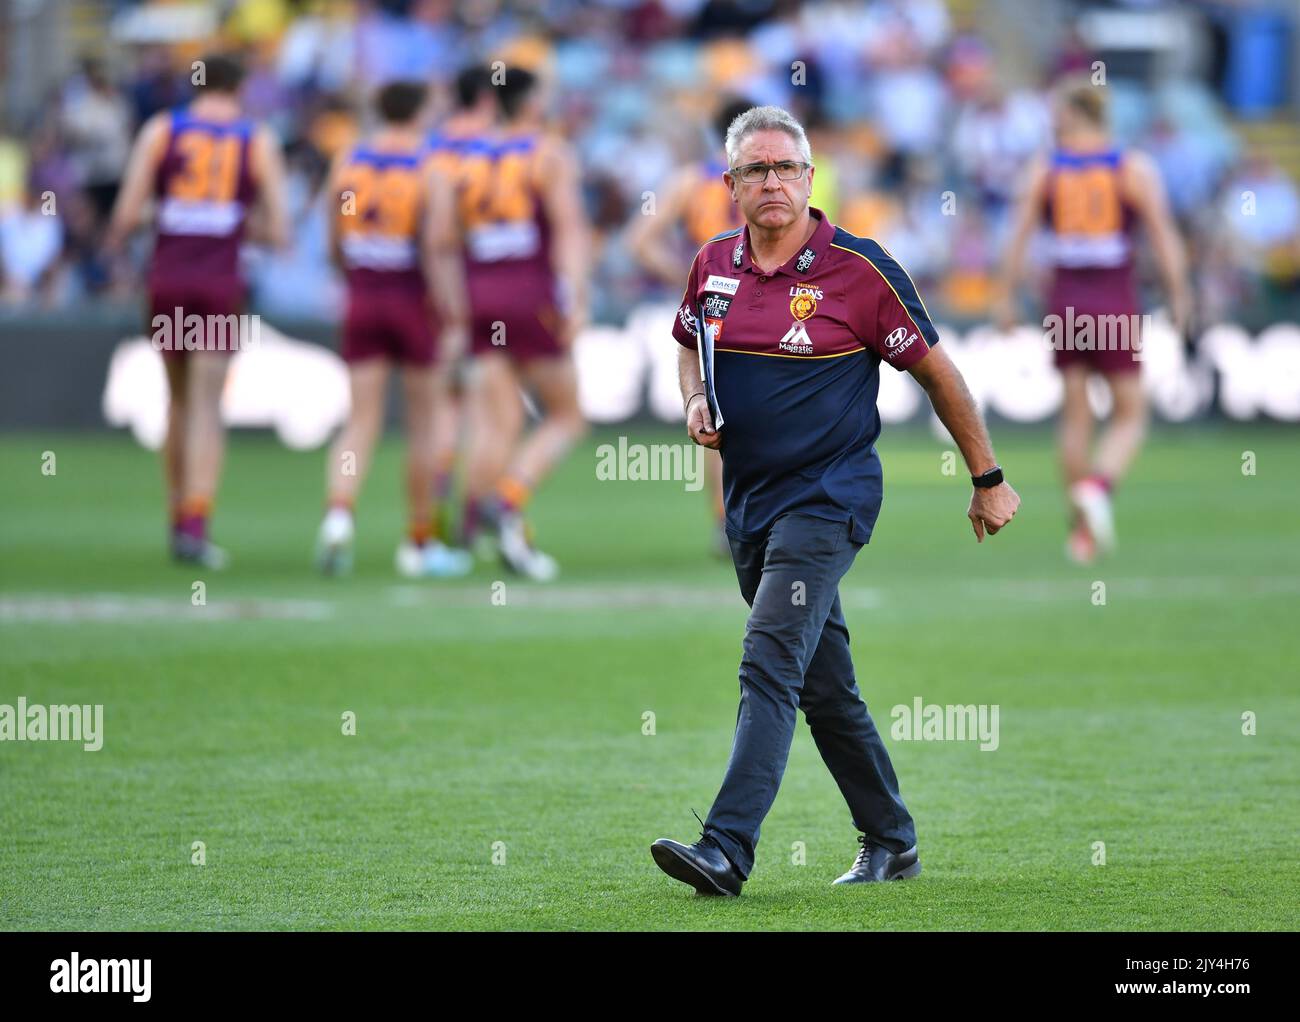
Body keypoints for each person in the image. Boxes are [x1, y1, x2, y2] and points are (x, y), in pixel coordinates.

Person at [651, 105, 1020, 896]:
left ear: (811, 179)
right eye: (757, 170)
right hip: (749, 507)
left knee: (768, 660)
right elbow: (687, 345)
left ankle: (725, 850)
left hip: (828, 501)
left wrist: (987, 480)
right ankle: (892, 840)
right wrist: (694, 402)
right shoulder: (712, 264)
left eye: (786, 168)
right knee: (823, 687)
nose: (773, 182)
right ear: (731, 185)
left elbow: (938, 373)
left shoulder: (860, 268)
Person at [105, 52, 288, 568]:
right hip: (219, 284)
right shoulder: (258, 140)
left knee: (177, 401)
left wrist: (167, 214)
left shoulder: (161, 131)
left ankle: (174, 514)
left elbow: (124, 215)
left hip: (167, 280)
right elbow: (279, 231)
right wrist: (232, 220)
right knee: (209, 406)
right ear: (240, 87)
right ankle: (195, 521)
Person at [997, 75, 1189, 563]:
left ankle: (1080, 534)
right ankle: (1099, 486)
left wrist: (1005, 296)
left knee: (1075, 414)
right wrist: (1181, 294)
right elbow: (1163, 237)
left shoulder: (1046, 168)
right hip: (1113, 295)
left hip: (1065, 296)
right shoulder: (1132, 166)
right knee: (1130, 412)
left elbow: (1017, 236)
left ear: (1070, 114)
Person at [432, 67, 590, 581]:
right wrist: (575, 295)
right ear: (529, 101)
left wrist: (455, 309)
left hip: (481, 299)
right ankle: (508, 498)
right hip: (531, 295)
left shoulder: (461, 159)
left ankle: (469, 522)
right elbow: (568, 229)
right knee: (567, 415)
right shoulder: (547, 152)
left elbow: (440, 243)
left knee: (497, 421)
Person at [315, 81, 471, 579]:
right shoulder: (432, 169)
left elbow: (334, 237)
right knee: (423, 427)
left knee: (360, 420)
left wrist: (353, 278)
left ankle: (339, 514)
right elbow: (438, 248)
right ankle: (418, 542)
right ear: (421, 110)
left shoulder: (349, 162)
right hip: (411, 302)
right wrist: (453, 314)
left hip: (362, 296)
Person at [628, 97, 751, 557]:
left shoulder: (690, 181)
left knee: (715, 416)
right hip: (765, 300)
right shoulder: (773, 176)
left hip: (716, 305)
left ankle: (726, 522)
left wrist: (691, 280)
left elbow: (639, 241)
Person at [422, 66, 498, 547]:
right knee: (484, 411)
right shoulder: (494, 149)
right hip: (489, 287)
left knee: (441, 410)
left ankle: (429, 517)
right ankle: (473, 517)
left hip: (427, 288)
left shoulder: (430, 151)